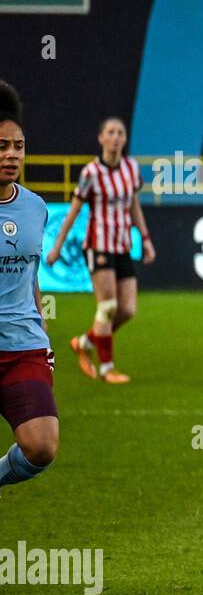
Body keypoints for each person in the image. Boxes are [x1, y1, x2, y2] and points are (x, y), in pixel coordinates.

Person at [44, 117, 155, 384]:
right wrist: (57, 246)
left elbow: (134, 205)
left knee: (127, 310)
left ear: (125, 139)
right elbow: (73, 211)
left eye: (120, 133)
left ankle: (84, 342)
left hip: (122, 246)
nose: (115, 137)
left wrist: (146, 238)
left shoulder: (130, 169)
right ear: (101, 138)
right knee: (107, 306)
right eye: (110, 132)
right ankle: (107, 369)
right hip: (98, 246)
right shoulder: (91, 173)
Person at [0, 80, 59, 497]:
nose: (11, 155)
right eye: (2, 146)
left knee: (41, 446)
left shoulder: (35, 207)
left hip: (23, 346)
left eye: (18, 146)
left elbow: (31, 274)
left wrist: (42, 328)